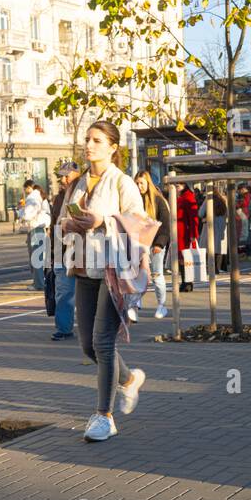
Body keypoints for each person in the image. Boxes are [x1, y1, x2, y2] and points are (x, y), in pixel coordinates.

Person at [58, 120, 152, 442]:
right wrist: (68, 225)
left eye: (97, 140)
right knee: (87, 345)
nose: (89, 145)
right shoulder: (79, 182)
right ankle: (127, 380)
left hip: (113, 271)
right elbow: (61, 221)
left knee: (103, 342)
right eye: (87, 139)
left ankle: (104, 416)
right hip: (84, 269)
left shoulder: (122, 182)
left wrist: (103, 221)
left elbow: (139, 224)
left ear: (113, 147)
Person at [49, 160, 81, 339]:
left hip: (82, 250)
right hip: (62, 251)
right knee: (63, 291)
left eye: (66, 176)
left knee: (88, 293)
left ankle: (95, 327)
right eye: (61, 176)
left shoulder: (85, 192)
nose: (63, 180)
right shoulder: (59, 197)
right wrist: (53, 253)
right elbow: (54, 225)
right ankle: (64, 328)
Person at [134, 171, 170, 319]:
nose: (139, 186)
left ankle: (162, 305)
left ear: (148, 183)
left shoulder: (158, 200)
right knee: (137, 273)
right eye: (136, 183)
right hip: (139, 242)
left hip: (155, 243)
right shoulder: (134, 201)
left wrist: (160, 244)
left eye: (141, 183)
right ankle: (135, 302)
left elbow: (165, 224)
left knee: (156, 274)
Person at [19, 180, 50, 291]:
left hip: (34, 228)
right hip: (41, 227)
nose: (25, 191)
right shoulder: (41, 197)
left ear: (29, 188)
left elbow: (27, 215)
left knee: (35, 258)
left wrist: (21, 211)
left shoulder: (32, 198)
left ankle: (39, 284)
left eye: (25, 188)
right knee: (39, 258)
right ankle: (40, 282)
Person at [175, 181, 200, 292]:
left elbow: (193, 217)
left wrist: (193, 234)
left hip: (185, 233)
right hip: (180, 232)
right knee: (182, 258)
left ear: (184, 186)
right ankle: (185, 282)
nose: (176, 188)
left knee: (185, 258)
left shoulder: (188, 197)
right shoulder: (182, 197)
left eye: (178, 186)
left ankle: (187, 282)